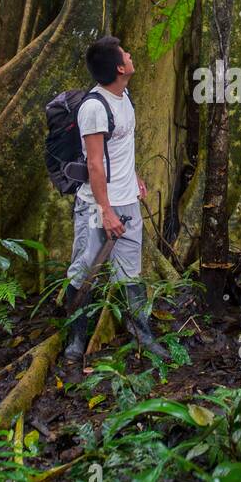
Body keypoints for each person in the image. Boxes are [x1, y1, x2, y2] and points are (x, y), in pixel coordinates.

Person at [63, 35, 166, 362]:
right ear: (120, 67)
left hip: (128, 201)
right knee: (84, 269)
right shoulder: (94, 108)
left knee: (130, 273)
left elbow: (118, 149)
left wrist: (132, 176)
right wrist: (106, 211)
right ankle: (75, 339)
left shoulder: (124, 96)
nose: (131, 54)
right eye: (126, 53)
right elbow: (94, 162)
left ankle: (142, 335)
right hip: (98, 205)